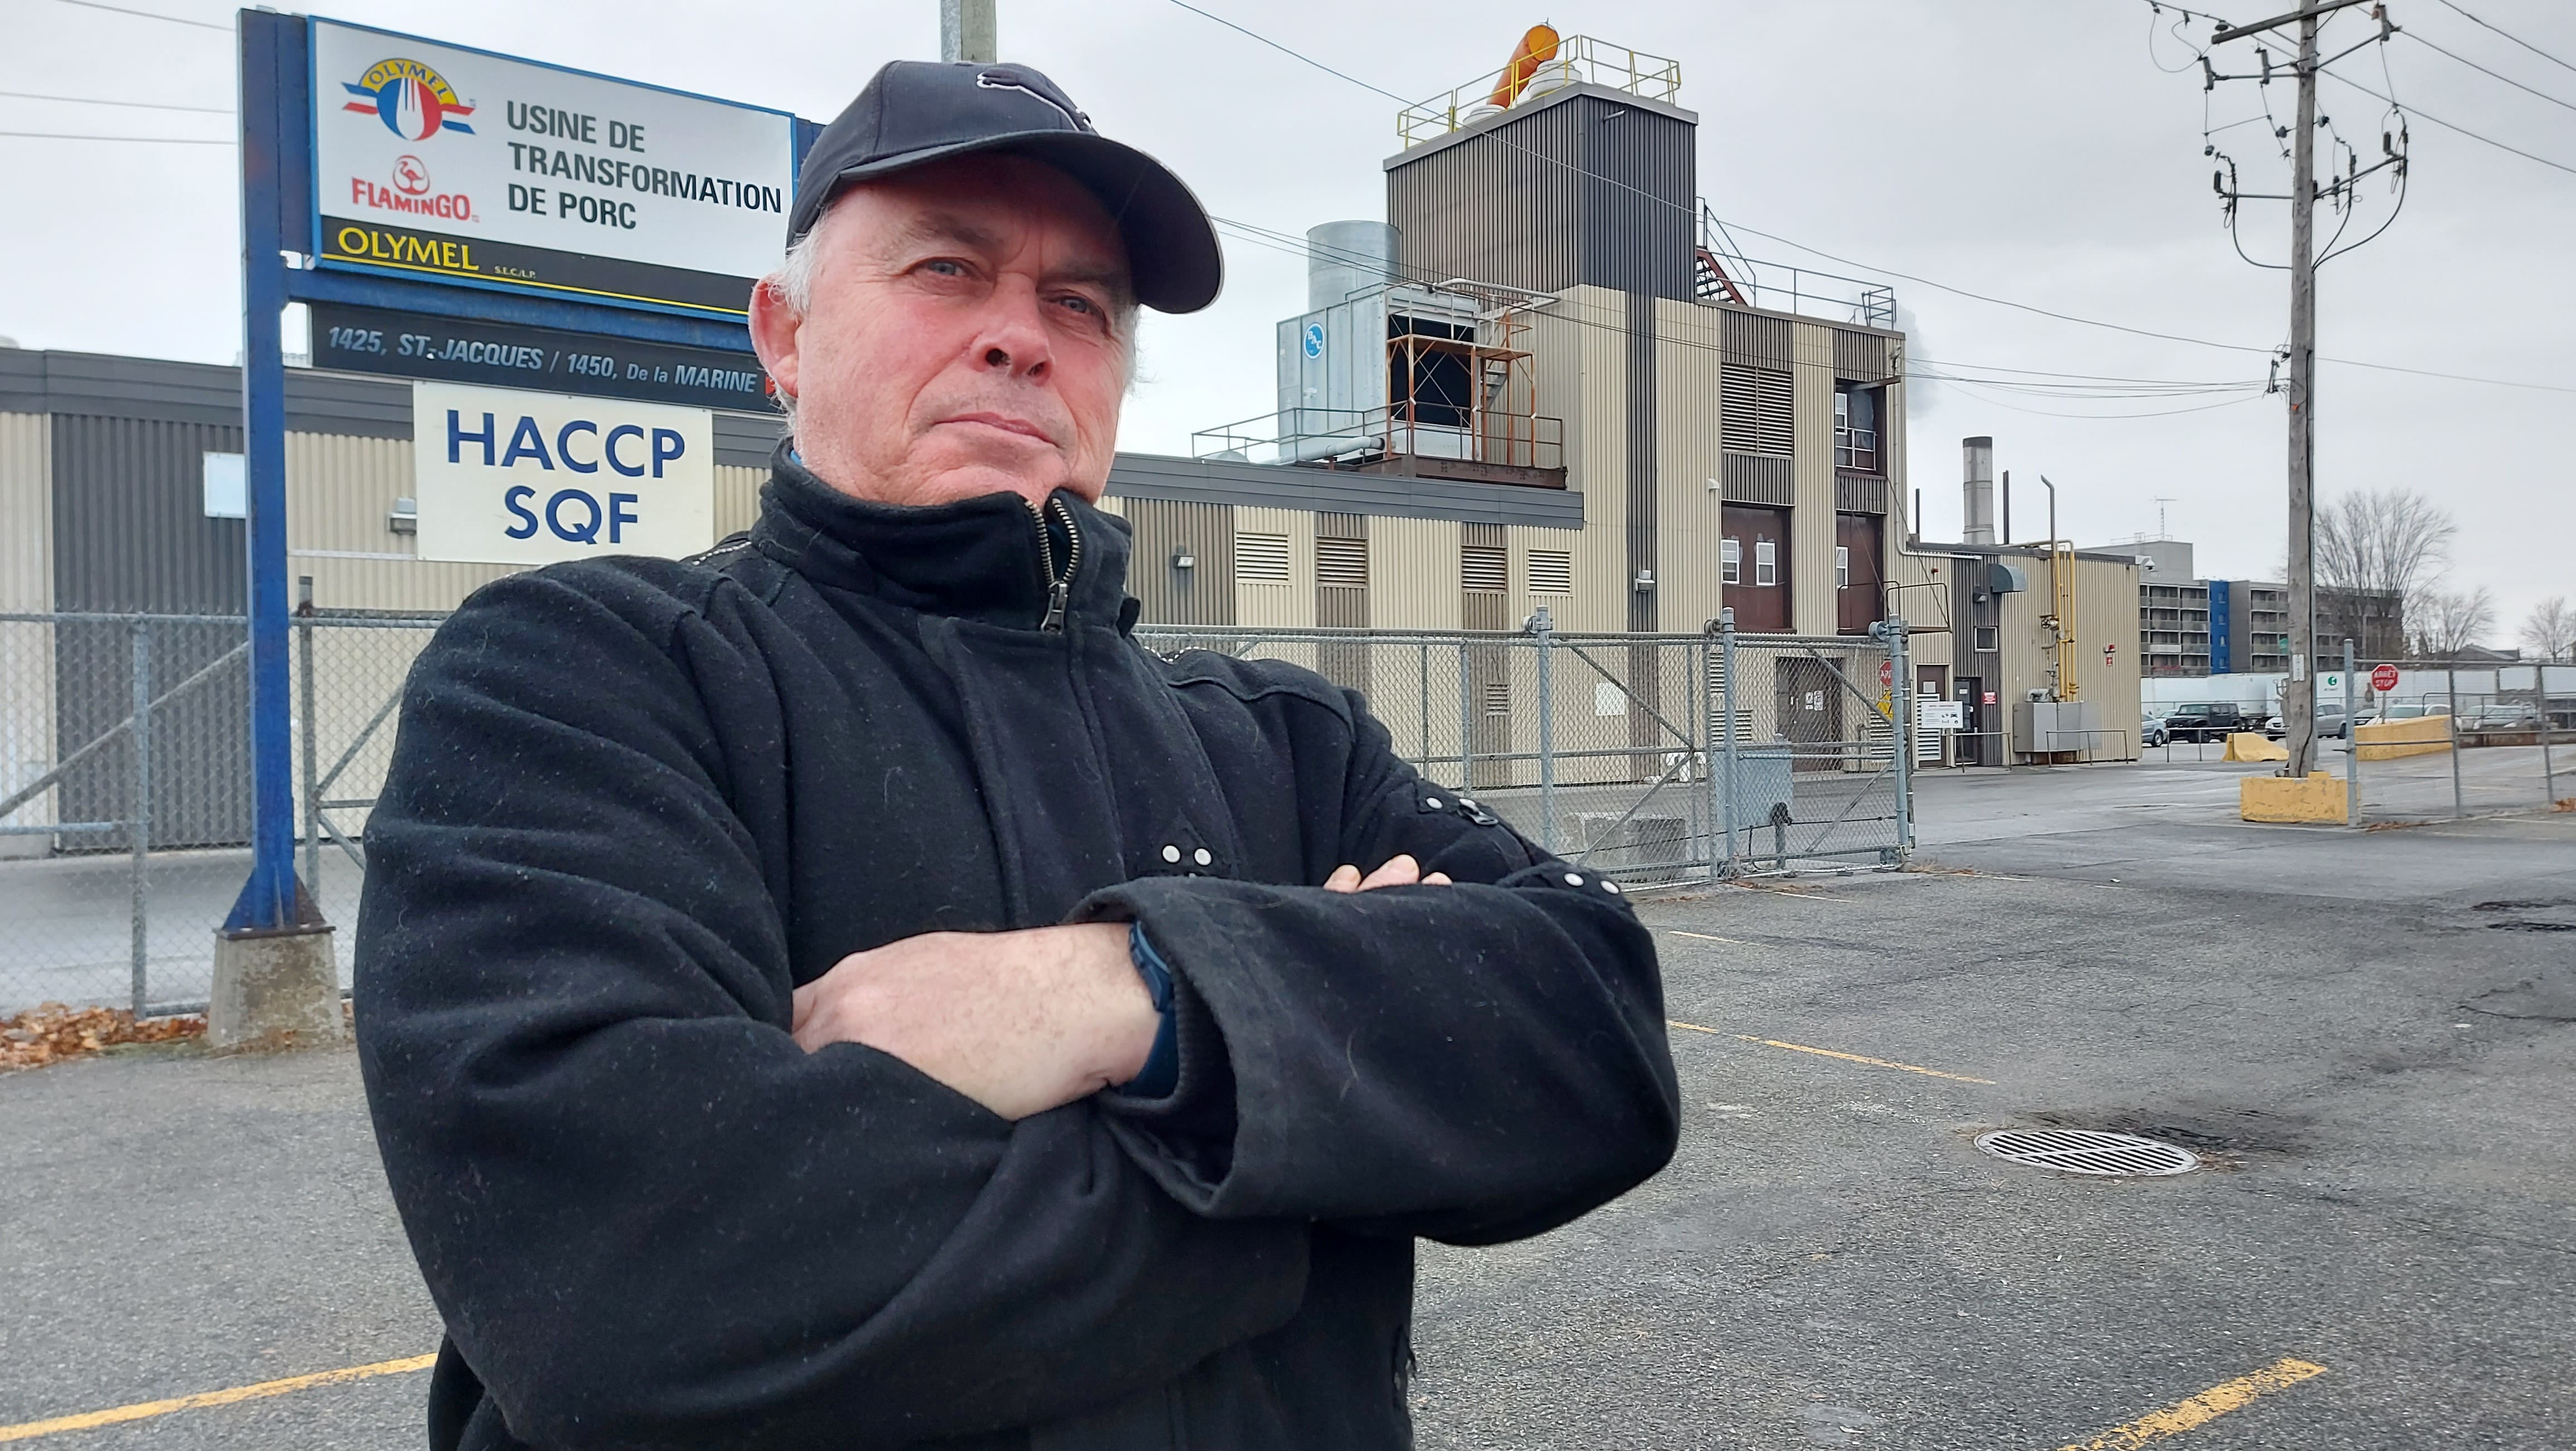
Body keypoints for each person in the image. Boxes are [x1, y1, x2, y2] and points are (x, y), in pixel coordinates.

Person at [355, 58, 1679, 1451]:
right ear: (784, 334)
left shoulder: (1284, 740)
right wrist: (1301, 1152)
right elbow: (638, 1282)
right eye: (945, 268)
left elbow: (1595, 1031)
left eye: (1079, 304)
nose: (1020, 337)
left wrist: (1135, 996)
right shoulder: (588, 673)